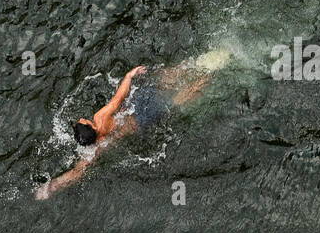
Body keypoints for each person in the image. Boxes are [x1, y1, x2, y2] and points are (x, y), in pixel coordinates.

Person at [35, 57, 223, 199]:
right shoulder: (100, 118)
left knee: (176, 101)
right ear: (90, 125)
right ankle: (206, 62)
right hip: (138, 104)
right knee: (163, 81)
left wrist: (49, 189)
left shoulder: (94, 150)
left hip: (143, 121)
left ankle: (211, 76)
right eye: (82, 121)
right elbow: (119, 98)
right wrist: (128, 76)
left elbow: (76, 174)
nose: (81, 118)